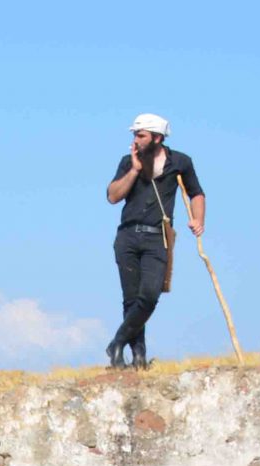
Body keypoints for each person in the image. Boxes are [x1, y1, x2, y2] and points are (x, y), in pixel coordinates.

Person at [104, 114, 204, 369]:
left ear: (157, 138)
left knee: (149, 296)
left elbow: (196, 193)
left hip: (157, 237)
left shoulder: (180, 162)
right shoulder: (128, 162)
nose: (135, 140)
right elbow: (113, 196)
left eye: (141, 136)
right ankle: (137, 357)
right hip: (127, 235)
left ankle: (117, 342)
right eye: (135, 135)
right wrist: (135, 170)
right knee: (131, 299)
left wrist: (198, 219)